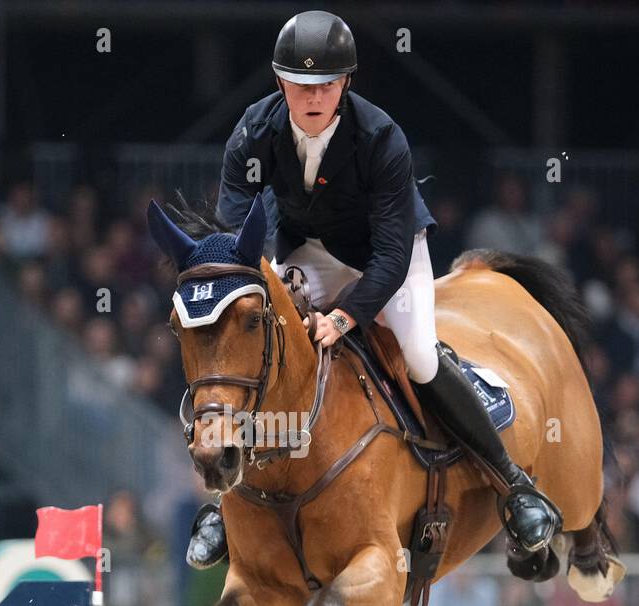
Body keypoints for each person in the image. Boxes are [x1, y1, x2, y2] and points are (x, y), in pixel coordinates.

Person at [185, 9, 562, 570]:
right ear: (280, 82)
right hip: (303, 253)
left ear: (346, 84)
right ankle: (228, 502)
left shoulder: (382, 137)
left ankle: (514, 486)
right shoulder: (251, 133)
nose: (313, 97)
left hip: (386, 258)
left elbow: (388, 256)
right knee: (257, 351)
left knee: (418, 357)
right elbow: (236, 237)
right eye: (300, 84)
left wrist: (345, 317)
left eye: (327, 84)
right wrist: (262, 292)